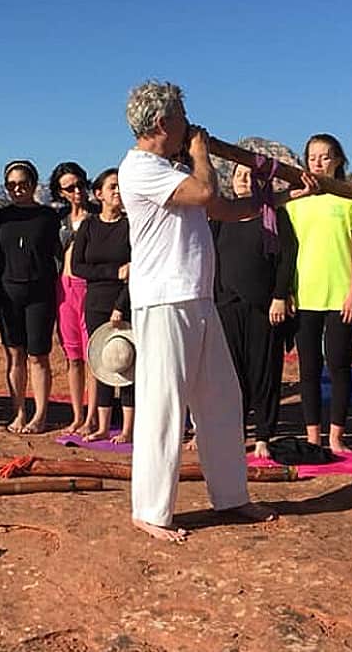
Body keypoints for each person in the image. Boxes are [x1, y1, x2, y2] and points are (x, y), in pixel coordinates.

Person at [118, 79, 317, 541]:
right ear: (164, 122)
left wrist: (286, 197)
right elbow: (207, 194)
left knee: (222, 402)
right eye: (183, 118)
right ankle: (150, 510)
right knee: (164, 405)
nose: (191, 126)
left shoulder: (170, 169)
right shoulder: (140, 167)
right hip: (165, 298)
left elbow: (225, 209)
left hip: (197, 296)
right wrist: (202, 151)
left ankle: (231, 495)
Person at [286, 133, 352, 454]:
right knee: (308, 369)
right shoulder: (296, 203)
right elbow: (288, 251)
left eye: (325, 156)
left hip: (340, 296)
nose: (318, 162)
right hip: (304, 296)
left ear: (338, 160)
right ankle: (312, 437)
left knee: (338, 366)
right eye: (312, 157)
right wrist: (288, 292)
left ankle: (336, 436)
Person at [213, 163, 298, 459]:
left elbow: (288, 257)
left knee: (263, 371)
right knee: (231, 374)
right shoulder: (221, 216)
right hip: (226, 305)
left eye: (251, 176)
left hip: (264, 305)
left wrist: (279, 296)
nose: (244, 181)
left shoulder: (272, 215)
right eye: (239, 175)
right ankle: (236, 431)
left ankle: (263, 435)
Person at [0, 160, 60, 434]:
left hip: (40, 294)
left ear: (33, 184)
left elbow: (59, 252)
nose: (17, 189)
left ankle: (40, 415)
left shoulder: (48, 217)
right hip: (7, 293)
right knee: (15, 355)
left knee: (38, 356)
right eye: (11, 185)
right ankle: (19, 412)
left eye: (23, 184)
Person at [72, 167, 134, 443]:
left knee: (129, 362)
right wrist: (113, 271)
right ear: (99, 194)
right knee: (104, 363)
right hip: (95, 302)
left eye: (121, 186)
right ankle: (103, 426)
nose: (118, 191)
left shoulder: (131, 224)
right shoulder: (89, 225)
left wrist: (121, 304)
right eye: (112, 187)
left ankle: (128, 429)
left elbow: (135, 270)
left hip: (126, 302)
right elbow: (78, 267)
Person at [50, 161, 98, 435]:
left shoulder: (97, 218)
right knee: (73, 355)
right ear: (61, 192)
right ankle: (78, 415)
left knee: (93, 354)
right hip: (64, 289)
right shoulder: (59, 222)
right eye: (70, 187)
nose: (77, 191)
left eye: (80, 184)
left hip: (90, 288)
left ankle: (92, 416)